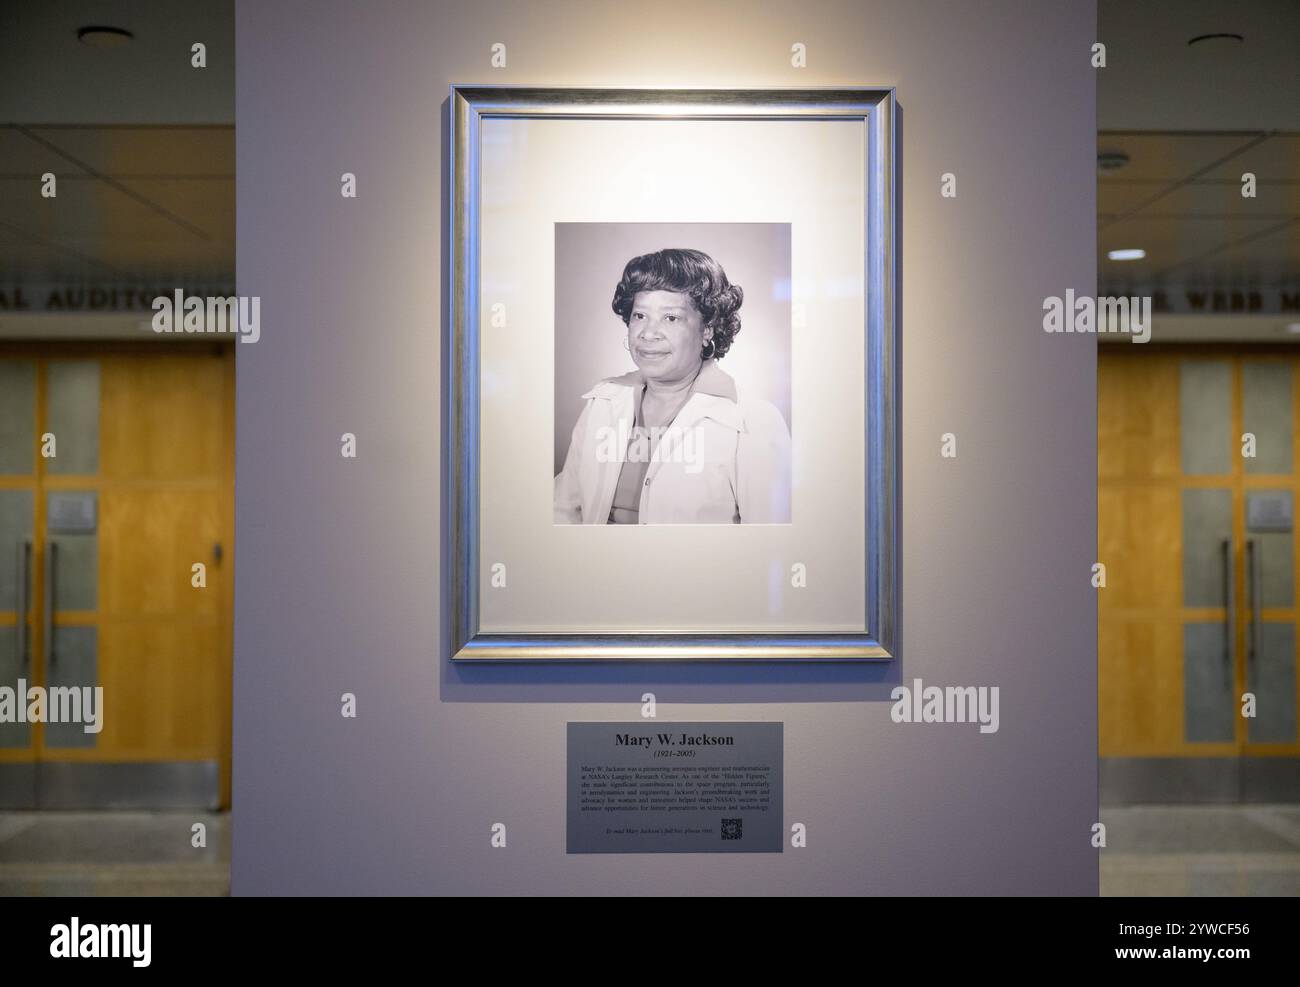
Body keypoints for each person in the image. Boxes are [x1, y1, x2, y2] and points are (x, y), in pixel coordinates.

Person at [554, 247, 791, 524]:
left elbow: (771, 543)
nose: (648, 334)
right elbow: (563, 511)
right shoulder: (602, 401)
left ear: (707, 329)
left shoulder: (754, 421)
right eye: (639, 316)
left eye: (671, 318)